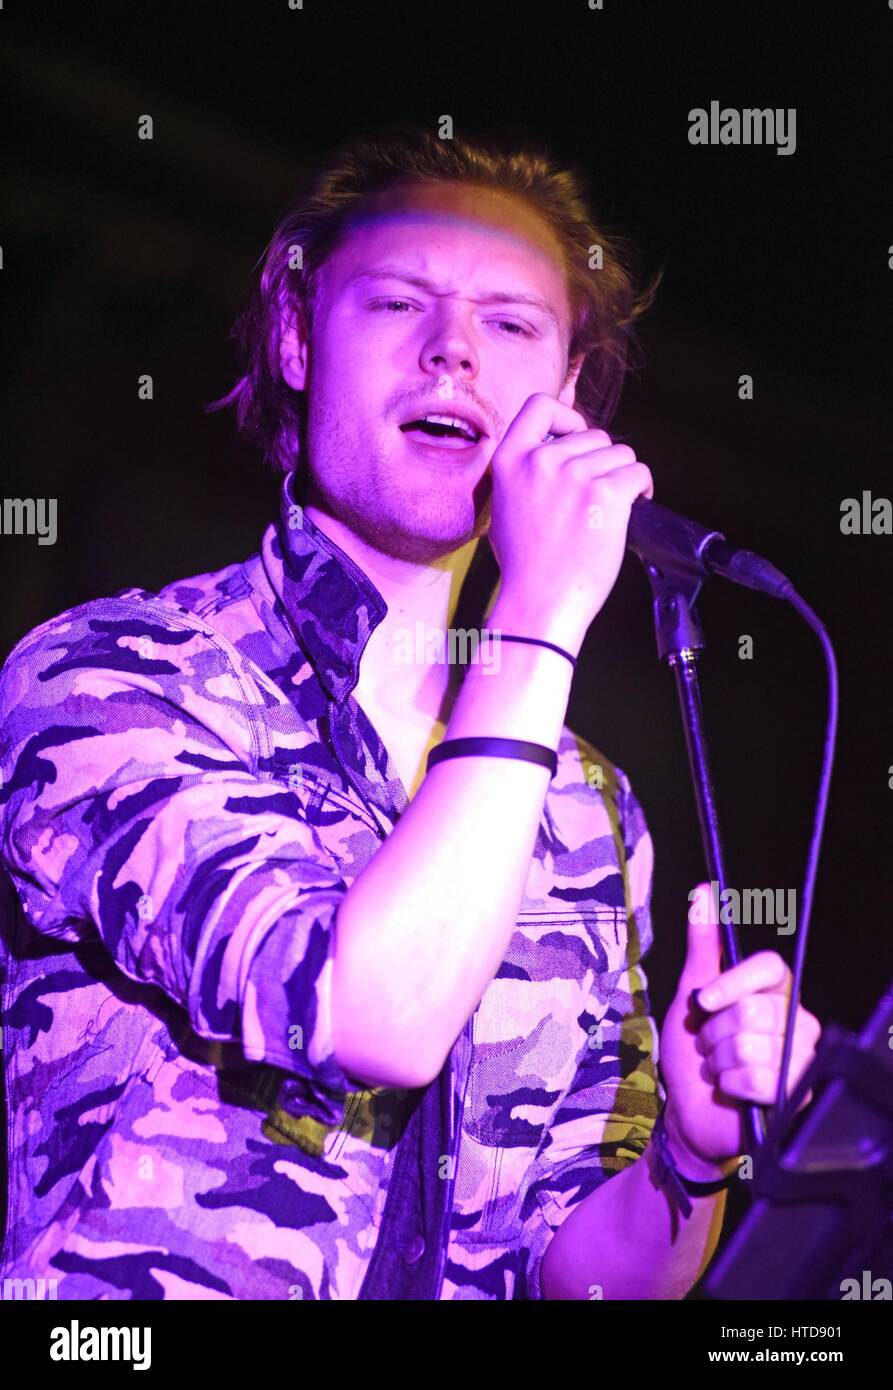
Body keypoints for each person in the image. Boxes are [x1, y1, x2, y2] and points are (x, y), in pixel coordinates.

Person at [0, 126, 820, 1300]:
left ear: (571, 394)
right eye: (397, 306)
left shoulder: (581, 808)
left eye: (510, 325)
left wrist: (690, 1156)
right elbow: (367, 1010)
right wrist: (538, 612)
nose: (453, 356)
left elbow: (586, 1278)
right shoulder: (115, 679)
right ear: (295, 335)